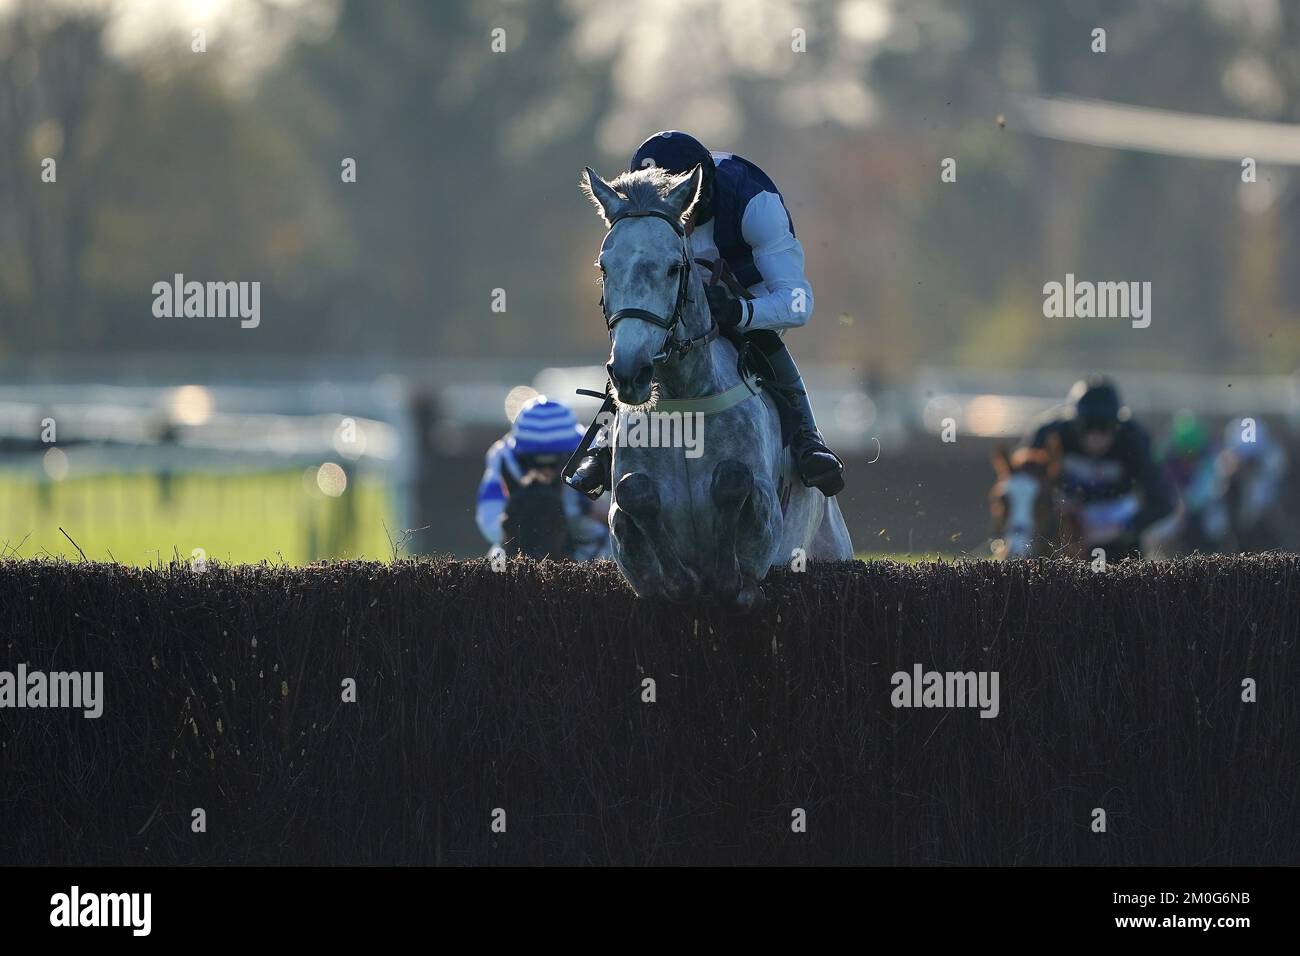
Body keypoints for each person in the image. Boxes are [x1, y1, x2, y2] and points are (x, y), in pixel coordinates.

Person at [566, 130, 844, 499]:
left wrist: (738, 311)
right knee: (641, 332)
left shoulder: (755, 203)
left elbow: (796, 303)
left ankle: (807, 437)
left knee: (756, 333)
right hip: (679, 280)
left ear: (703, 193)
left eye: (681, 210)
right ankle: (604, 441)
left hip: (747, 283)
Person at [1022, 376, 1174, 557]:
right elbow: (1020, 483)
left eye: (1104, 427)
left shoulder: (1135, 440)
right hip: (1061, 525)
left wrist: (1122, 528)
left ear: (1118, 425)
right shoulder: (1049, 435)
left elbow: (1162, 502)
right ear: (1074, 423)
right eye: (1086, 426)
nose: (1095, 437)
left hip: (1114, 528)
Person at [477, 395, 609, 560]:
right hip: (521, 542)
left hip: (586, 540)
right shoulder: (502, 459)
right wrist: (526, 515)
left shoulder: (596, 454)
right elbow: (490, 523)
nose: (546, 471)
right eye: (535, 462)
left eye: (556, 462)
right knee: (496, 560)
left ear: (574, 452)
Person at [1154, 410, 1228, 552]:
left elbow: (1211, 487)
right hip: (1174, 509)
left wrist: (1187, 502)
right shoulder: (1165, 457)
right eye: (1185, 454)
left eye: (1193, 454)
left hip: (1201, 512)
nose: (1189, 459)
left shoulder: (1210, 456)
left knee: (1215, 521)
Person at [1217, 417, 1289, 550]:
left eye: (1251, 460)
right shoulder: (1228, 479)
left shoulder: (1269, 470)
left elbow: (1258, 508)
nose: (1247, 465)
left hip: (1262, 526)